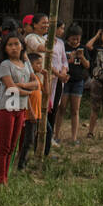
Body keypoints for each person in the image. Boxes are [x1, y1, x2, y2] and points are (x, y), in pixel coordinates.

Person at [0, 35, 39, 185]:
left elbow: (35, 83)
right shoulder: (5, 65)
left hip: (21, 108)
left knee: (13, 145)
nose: (14, 47)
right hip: (7, 108)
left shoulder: (26, 64)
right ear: (5, 49)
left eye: (16, 44)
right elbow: (11, 87)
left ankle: (6, 176)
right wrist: (27, 91)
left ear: (22, 46)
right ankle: (0, 179)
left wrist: (23, 86)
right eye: (10, 45)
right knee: (4, 146)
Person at [17, 12, 49, 170]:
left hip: (38, 100)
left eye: (48, 23)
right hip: (29, 108)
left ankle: (34, 157)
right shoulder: (31, 38)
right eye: (43, 23)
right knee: (27, 136)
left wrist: (47, 76)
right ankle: (21, 162)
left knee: (34, 133)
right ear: (34, 24)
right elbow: (42, 48)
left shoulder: (38, 78)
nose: (46, 25)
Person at [44, 20, 68, 156]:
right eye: (61, 28)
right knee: (47, 107)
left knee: (55, 109)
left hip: (59, 80)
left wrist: (64, 71)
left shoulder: (60, 43)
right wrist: (57, 74)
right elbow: (45, 61)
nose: (62, 31)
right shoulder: (45, 41)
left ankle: (50, 136)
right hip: (50, 79)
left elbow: (64, 59)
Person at [61, 25, 88, 143]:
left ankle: (74, 137)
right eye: (73, 39)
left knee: (75, 110)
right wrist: (69, 59)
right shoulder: (63, 47)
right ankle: (56, 135)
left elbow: (87, 66)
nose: (75, 41)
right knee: (61, 108)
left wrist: (81, 57)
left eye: (78, 39)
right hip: (65, 80)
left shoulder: (83, 48)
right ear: (68, 38)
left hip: (78, 81)